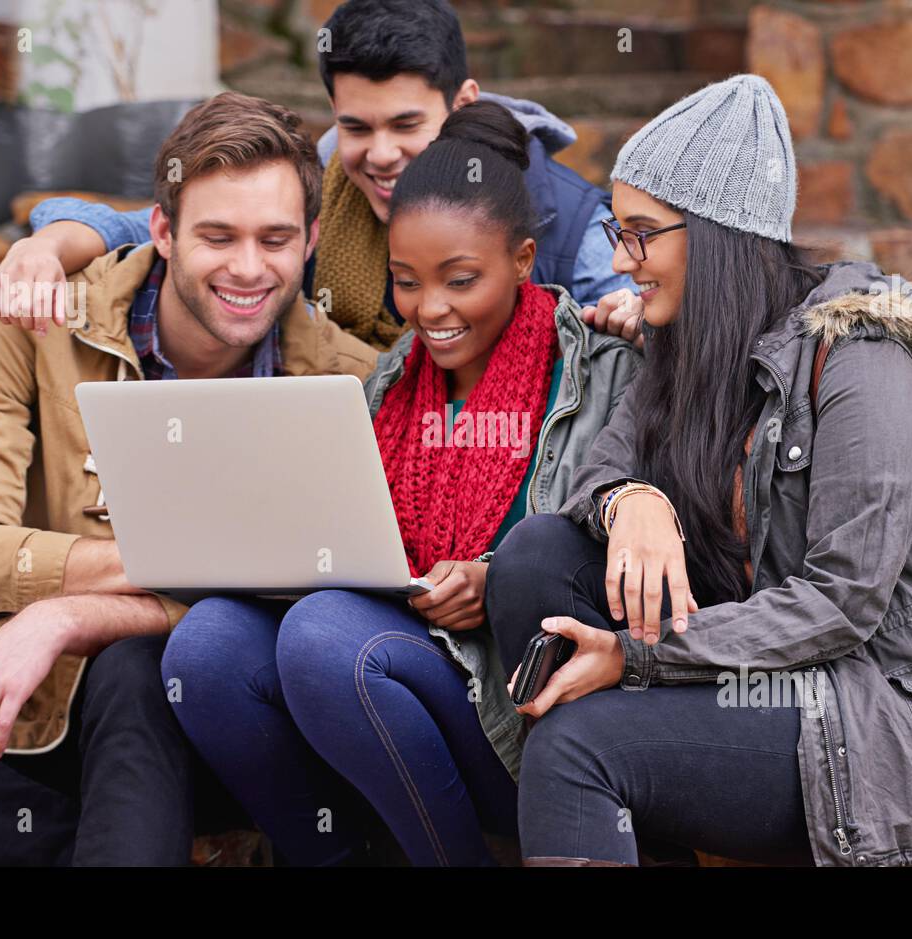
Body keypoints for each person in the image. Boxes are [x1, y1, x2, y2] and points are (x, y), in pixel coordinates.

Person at [485, 74, 912, 867]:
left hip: (875, 707)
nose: (620, 258)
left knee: (577, 749)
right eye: (620, 228)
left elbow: (842, 602)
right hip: (757, 664)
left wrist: (639, 656)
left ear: (718, 235)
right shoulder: (694, 341)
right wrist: (633, 499)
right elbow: (602, 464)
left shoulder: (866, 359)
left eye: (642, 233)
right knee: (536, 558)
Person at [0, 92, 376, 866]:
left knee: (137, 663)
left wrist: (73, 616)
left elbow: (336, 589)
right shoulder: (27, 317)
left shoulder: (350, 384)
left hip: (215, 733)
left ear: (311, 239)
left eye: (276, 239)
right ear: (163, 230)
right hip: (24, 703)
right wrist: (111, 595)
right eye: (217, 236)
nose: (249, 267)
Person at [159, 100, 643, 866]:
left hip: (520, 705)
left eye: (460, 279)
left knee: (325, 638)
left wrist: (498, 576)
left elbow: (605, 552)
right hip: (389, 682)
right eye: (407, 282)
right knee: (206, 647)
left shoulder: (601, 372)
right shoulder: (389, 382)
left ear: (522, 260)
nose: (431, 310)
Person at [0, 0, 640, 350]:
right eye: (358, 127)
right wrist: (46, 246)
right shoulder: (326, 176)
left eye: (406, 125)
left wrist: (625, 312)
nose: (381, 155)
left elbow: (640, 324)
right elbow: (151, 229)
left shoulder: (571, 223)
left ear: (463, 103)